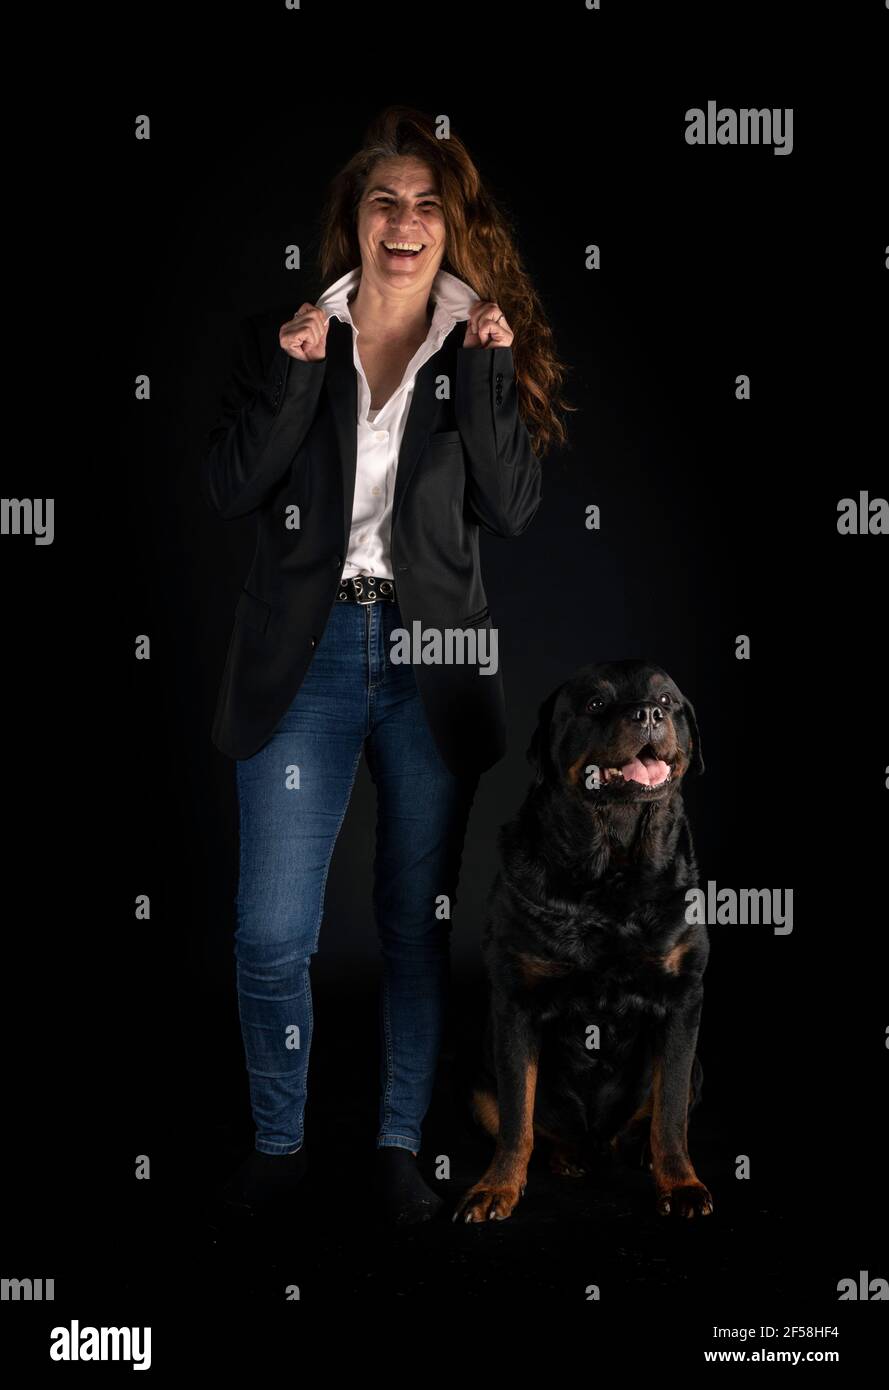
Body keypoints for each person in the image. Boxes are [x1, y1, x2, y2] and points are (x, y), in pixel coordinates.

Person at [205, 105, 572, 1224]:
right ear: (353, 221)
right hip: (302, 658)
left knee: (415, 924)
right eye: (383, 201)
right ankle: (278, 1149)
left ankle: (398, 1145)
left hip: (429, 662)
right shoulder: (287, 334)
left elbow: (509, 510)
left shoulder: (478, 343)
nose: (404, 222)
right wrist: (291, 379)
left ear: (448, 223)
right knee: (273, 933)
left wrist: (494, 380)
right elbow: (230, 487)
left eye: (426, 204)